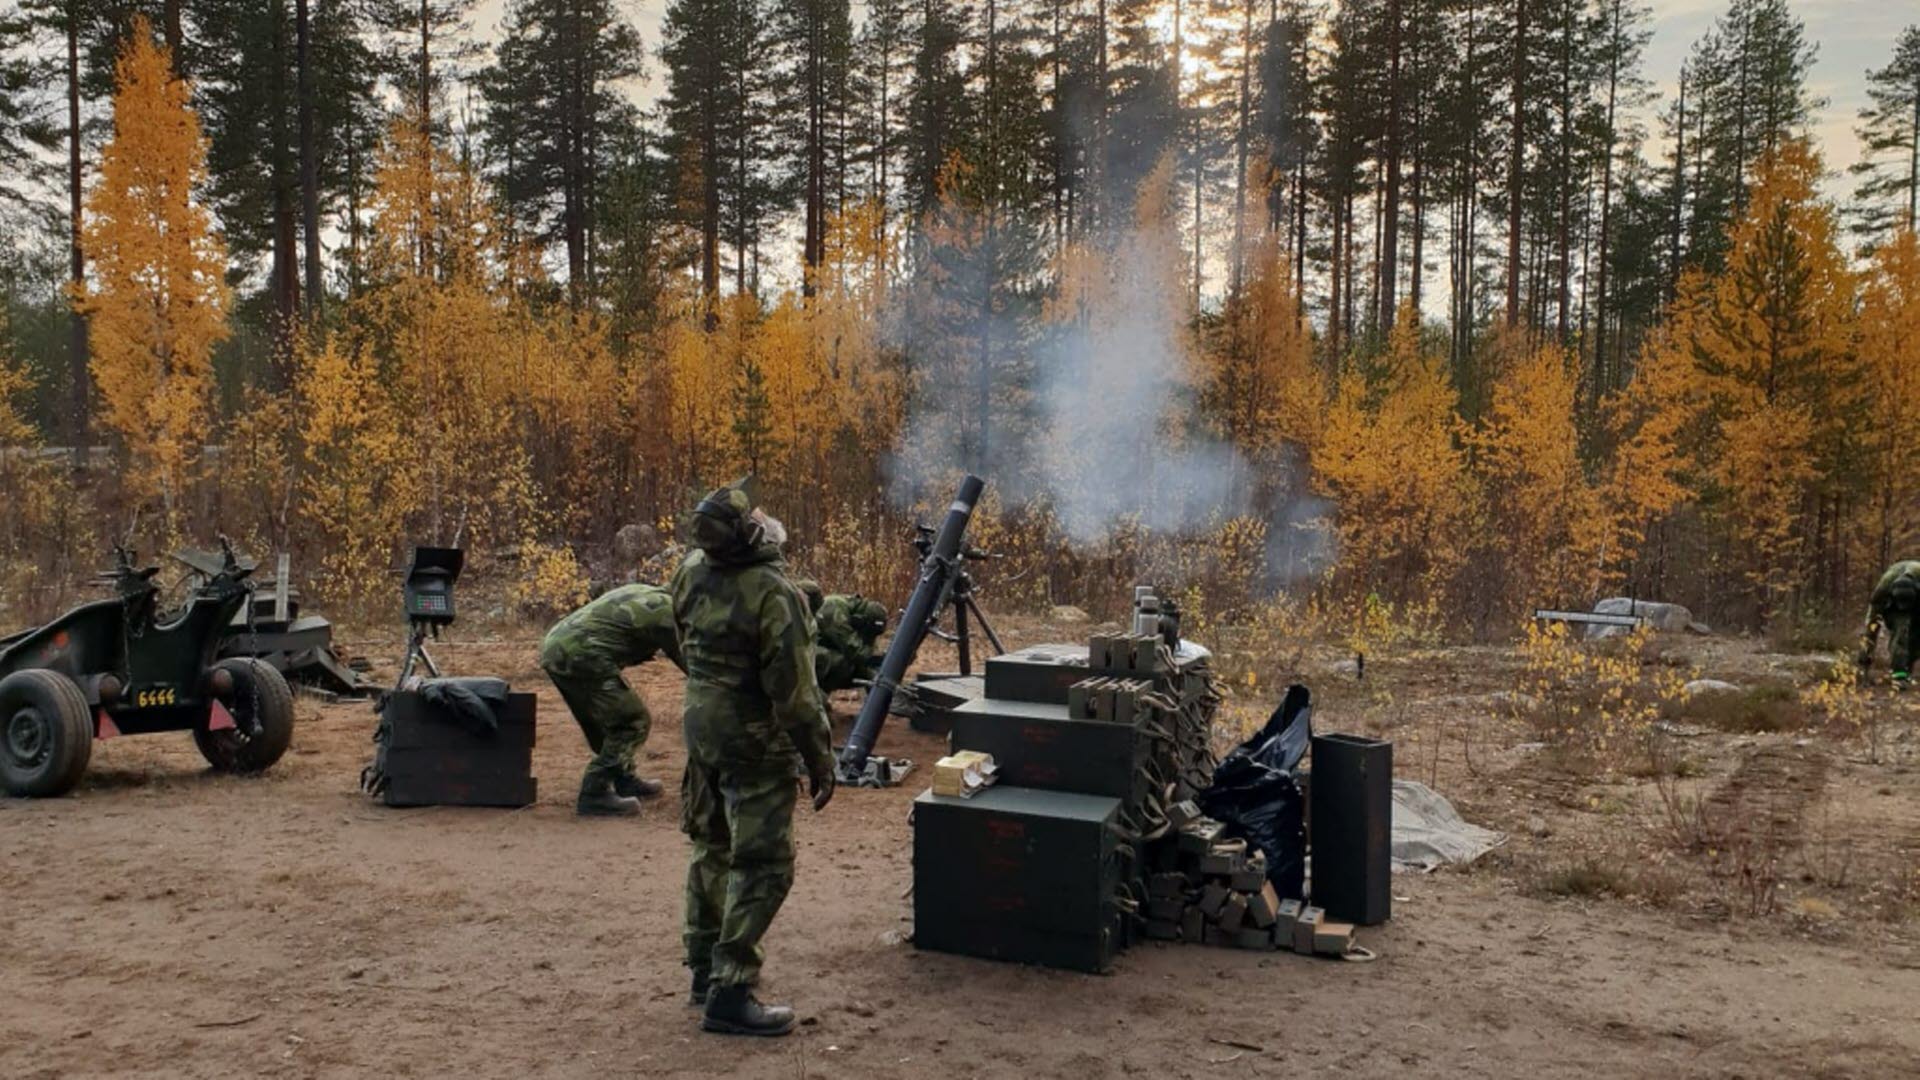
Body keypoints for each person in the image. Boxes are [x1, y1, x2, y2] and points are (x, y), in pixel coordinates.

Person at [670, 481, 835, 1037]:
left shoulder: (692, 570)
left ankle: (702, 972)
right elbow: (795, 694)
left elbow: (681, 638)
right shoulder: (773, 592)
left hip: (701, 729)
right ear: (746, 532)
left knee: (710, 847)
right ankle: (731, 988)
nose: (765, 514)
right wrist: (820, 759)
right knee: (764, 863)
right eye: (755, 513)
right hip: (752, 738)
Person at [539, 584, 683, 817]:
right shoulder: (668, 613)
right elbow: (696, 668)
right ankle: (595, 792)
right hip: (583, 655)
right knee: (632, 721)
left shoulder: (645, 591)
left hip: (555, 648)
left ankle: (624, 779)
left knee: (602, 725)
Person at [812, 592, 888, 693]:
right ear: (860, 620)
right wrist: (881, 658)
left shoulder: (859, 618)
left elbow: (866, 653)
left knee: (863, 667)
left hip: (816, 653)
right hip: (803, 655)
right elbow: (853, 649)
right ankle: (817, 695)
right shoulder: (835, 606)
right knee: (843, 662)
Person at [1860, 559, 1920, 686]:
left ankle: (1907, 668)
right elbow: (1871, 626)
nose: (1905, 608)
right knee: (1901, 631)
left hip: (1917, 603)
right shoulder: (1883, 589)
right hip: (1892, 606)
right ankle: (1899, 673)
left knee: (1916, 636)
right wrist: (1864, 661)